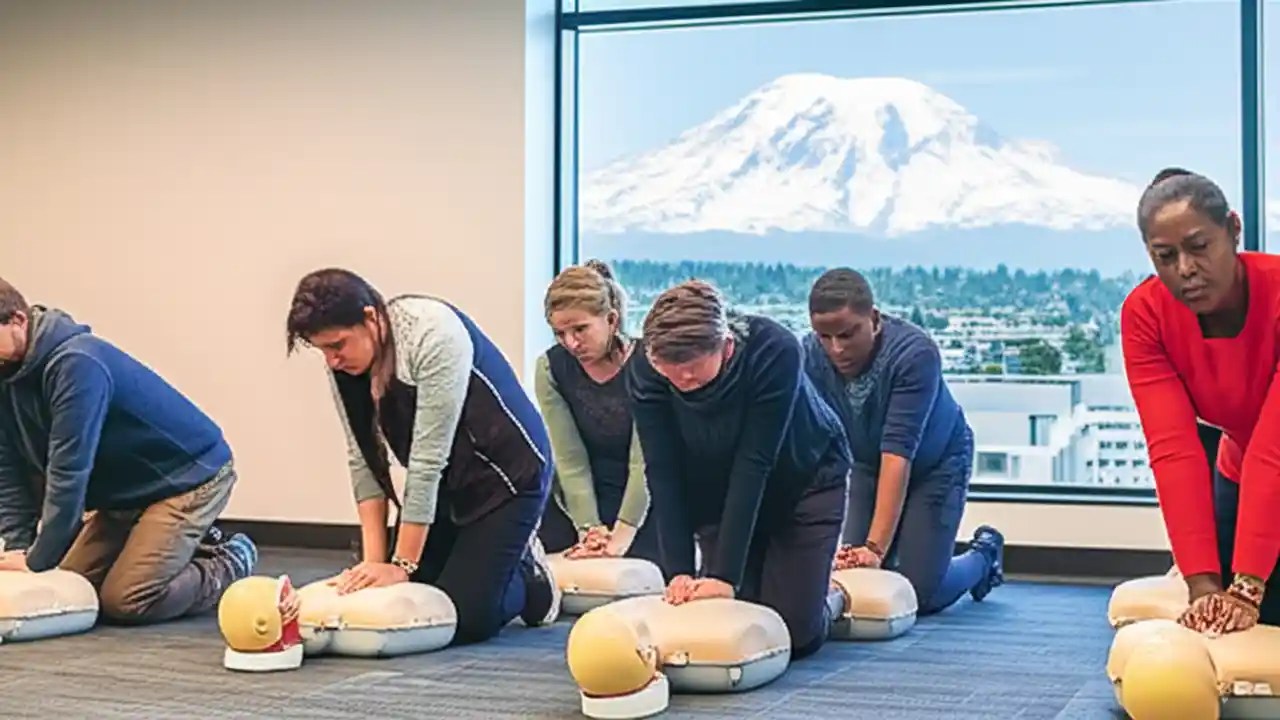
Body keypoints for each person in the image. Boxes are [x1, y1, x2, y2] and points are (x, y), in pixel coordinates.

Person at [285, 268, 561, 644]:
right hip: (450, 484)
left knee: (462, 618)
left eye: (338, 346)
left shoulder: (432, 334)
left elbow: (427, 462)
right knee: (415, 601)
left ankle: (529, 574)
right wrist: (375, 564)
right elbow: (363, 460)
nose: (332, 360)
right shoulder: (346, 363)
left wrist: (402, 565)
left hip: (510, 478)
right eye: (323, 351)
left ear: (371, 317)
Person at [0, 278, 257, 624]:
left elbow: (68, 470)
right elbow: (7, 468)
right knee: (74, 588)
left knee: (128, 601)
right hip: (125, 494)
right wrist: (18, 547)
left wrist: (37, 560)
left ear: (17, 319)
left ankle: (230, 557)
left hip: (187, 478)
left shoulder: (76, 362)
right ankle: (174, 546)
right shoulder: (5, 375)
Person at [627, 279, 851, 659]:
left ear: (726, 347)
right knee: (730, 622)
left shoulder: (774, 350)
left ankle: (832, 595)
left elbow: (755, 462)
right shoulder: (646, 368)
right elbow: (662, 469)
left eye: (693, 370)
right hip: (719, 489)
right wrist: (680, 570)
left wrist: (723, 576)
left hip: (805, 483)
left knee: (792, 634)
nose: (682, 381)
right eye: (670, 370)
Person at [1122, 167, 1280, 635]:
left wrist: (1248, 586)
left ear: (1233, 230)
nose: (1185, 269)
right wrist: (1204, 586)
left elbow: (1275, 448)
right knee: (1235, 623)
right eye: (1165, 256)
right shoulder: (1146, 314)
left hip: (1268, 461)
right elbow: (1175, 451)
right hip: (1241, 472)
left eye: (1198, 247)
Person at [804, 268, 1004, 615]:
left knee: (918, 593)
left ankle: (984, 556)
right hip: (867, 466)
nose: (837, 348)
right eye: (825, 336)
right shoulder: (808, 356)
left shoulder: (914, 354)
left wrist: (874, 547)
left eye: (848, 334)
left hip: (938, 463)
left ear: (875, 319)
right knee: (855, 575)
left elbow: (898, 454)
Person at [535, 260, 660, 567]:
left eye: (580, 329)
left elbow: (643, 460)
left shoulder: (649, 364)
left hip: (647, 497)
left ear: (611, 319)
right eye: (559, 333)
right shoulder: (551, 368)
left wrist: (622, 533)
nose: (571, 343)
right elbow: (569, 458)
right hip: (579, 499)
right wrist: (589, 529)